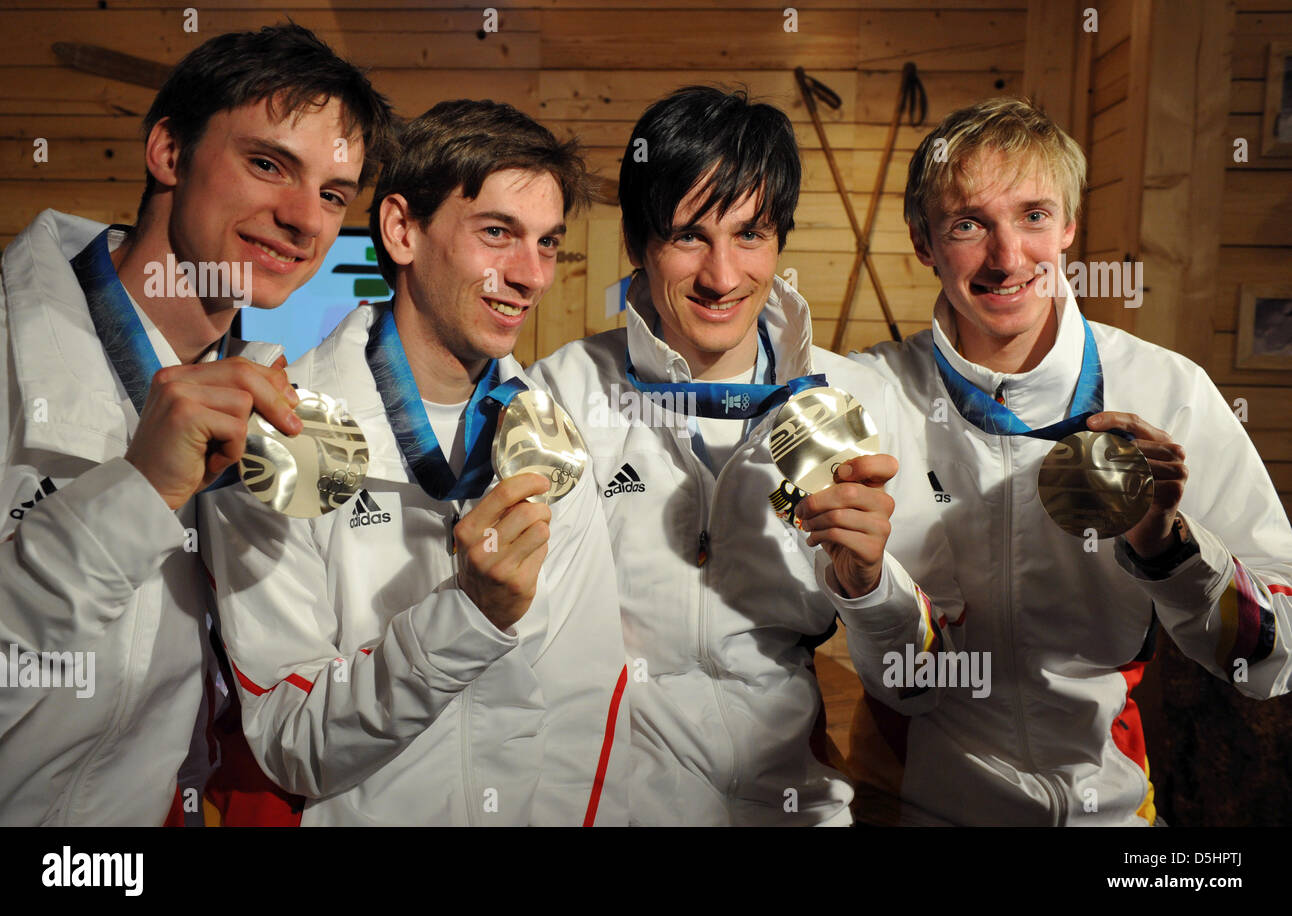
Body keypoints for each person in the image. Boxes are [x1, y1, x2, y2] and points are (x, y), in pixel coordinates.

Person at [846, 97, 1292, 825]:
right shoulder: (867, 395)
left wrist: (1169, 549)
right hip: (913, 801)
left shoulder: (1168, 390)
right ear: (924, 242)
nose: (1007, 257)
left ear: (1070, 228)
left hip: (1106, 807)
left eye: (1033, 216)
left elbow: (1274, 659)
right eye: (968, 224)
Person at [0, 23, 393, 826]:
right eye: (269, 164)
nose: (303, 220)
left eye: (331, 194)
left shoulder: (273, 410)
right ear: (170, 152)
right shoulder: (4, 353)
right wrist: (136, 495)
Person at [529, 86, 957, 826]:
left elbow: (919, 684)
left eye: (750, 235)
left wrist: (868, 586)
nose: (722, 277)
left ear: (779, 242)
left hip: (792, 802)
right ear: (637, 242)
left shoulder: (856, 403)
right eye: (689, 236)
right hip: (603, 800)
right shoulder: (560, 393)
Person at [199, 100, 630, 826]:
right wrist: (466, 618)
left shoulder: (550, 437)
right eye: (498, 233)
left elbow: (583, 704)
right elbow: (287, 739)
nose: (531, 275)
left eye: (548, 244)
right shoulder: (276, 433)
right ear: (403, 230)